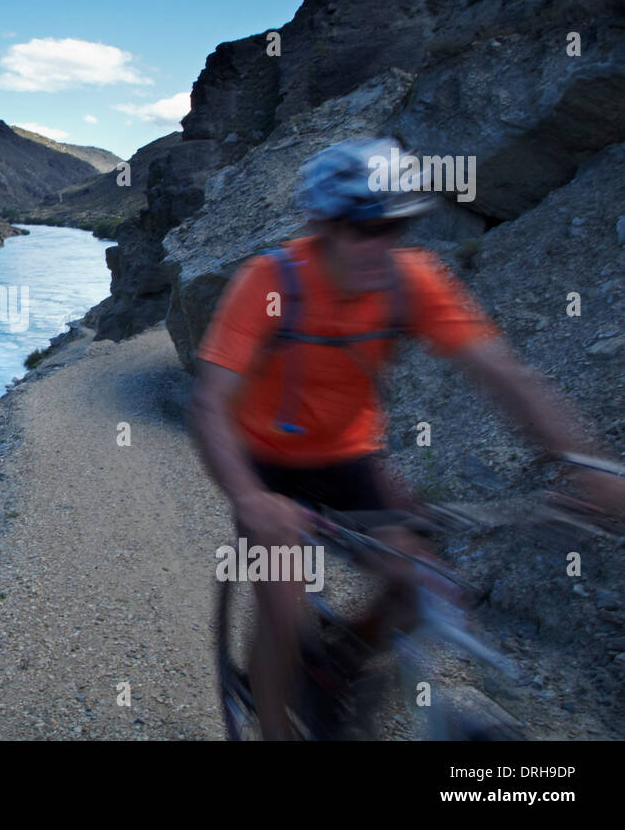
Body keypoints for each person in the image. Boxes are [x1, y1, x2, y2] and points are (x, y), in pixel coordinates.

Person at [189, 135, 625, 739]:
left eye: (394, 228)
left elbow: (506, 375)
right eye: (363, 229)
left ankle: (338, 668)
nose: (380, 245)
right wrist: (251, 501)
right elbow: (209, 402)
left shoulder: (411, 281)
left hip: (347, 455)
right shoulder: (270, 281)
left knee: (419, 585)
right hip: (264, 464)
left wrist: (587, 464)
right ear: (323, 225)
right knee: (282, 608)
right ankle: (272, 724)